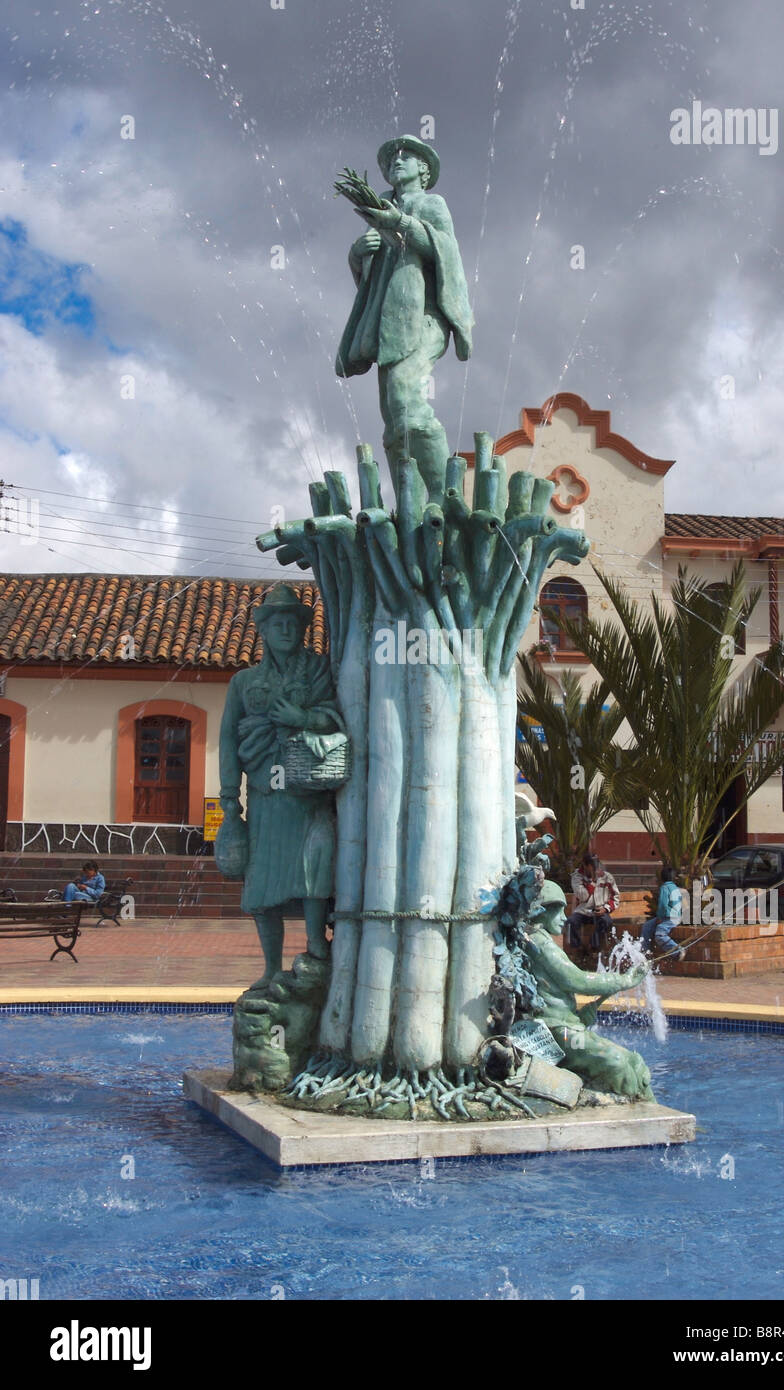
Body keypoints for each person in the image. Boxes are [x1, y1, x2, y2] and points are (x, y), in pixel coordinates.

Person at [335, 134, 473, 503]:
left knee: (408, 405)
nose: (397, 162)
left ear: (423, 169)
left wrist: (397, 223)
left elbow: (443, 251)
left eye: (407, 157)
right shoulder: (379, 212)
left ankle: (447, 500)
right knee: (394, 422)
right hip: (390, 329)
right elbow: (372, 282)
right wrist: (357, 254)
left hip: (424, 319)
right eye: (392, 159)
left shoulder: (431, 204)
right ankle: (410, 505)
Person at [218, 586, 341, 990]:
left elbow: (338, 718)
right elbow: (227, 741)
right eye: (278, 624)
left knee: (315, 868)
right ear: (264, 631)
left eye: (293, 623)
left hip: (308, 791)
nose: (286, 629)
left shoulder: (320, 670)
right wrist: (229, 803)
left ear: (304, 630)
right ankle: (271, 967)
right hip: (265, 797)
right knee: (262, 883)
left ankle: (315, 948)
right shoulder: (244, 682)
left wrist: (303, 717)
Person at [523, 880, 655, 1100]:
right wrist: (624, 980)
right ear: (542, 911)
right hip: (558, 1033)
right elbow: (578, 980)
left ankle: (650, 1110)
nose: (565, 918)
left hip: (566, 1027)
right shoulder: (539, 943)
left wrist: (577, 1017)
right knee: (618, 1062)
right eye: (559, 912)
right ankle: (639, 1113)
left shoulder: (542, 940)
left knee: (634, 1061)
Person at [565, 853, 620, 951]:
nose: (594, 870)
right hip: (583, 911)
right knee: (571, 922)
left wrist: (605, 908)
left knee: (606, 922)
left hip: (600, 911)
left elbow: (615, 897)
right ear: (585, 865)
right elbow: (583, 896)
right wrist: (592, 882)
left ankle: (593, 947)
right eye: (591, 867)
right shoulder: (577, 877)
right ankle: (577, 949)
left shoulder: (607, 877)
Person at [640, 864, 686, 960]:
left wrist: (660, 918)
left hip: (670, 918)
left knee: (660, 934)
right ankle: (645, 952)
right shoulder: (675, 887)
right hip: (673, 916)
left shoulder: (664, 888)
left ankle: (678, 950)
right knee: (647, 926)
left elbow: (663, 905)